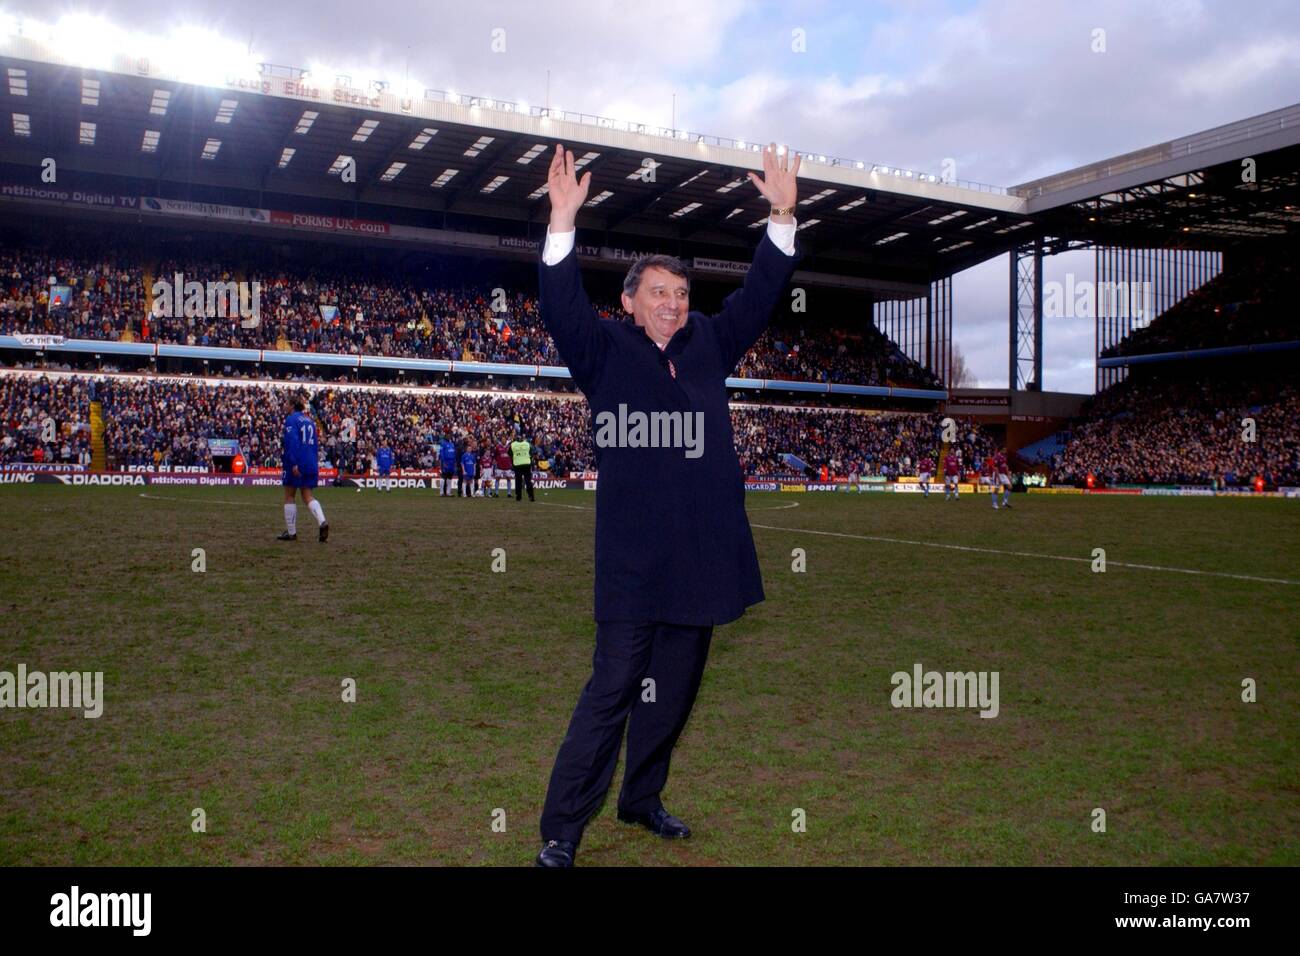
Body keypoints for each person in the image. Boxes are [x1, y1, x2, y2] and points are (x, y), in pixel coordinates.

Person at [534, 141, 800, 867]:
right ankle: (562, 829)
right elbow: (559, 307)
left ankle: (642, 798)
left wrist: (781, 214)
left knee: (673, 693)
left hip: (703, 558)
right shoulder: (605, 352)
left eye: (681, 294)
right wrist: (563, 222)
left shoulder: (712, 342)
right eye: (658, 292)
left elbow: (761, 293)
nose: (673, 304)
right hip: (632, 566)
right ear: (629, 301)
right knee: (611, 690)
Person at [278, 393, 329, 542]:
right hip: (311, 461)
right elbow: (314, 444)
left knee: (289, 495)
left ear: (292, 406)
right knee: (307, 496)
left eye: (286, 403)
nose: (285, 405)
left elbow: (292, 442)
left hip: (297, 461)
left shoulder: (291, 420)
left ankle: (292, 533)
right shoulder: (310, 420)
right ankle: (322, 522)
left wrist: (293, 462)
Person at [510, 433, 534, 502]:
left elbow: (509, 454)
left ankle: (518, 496)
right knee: (528, 481)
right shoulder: (527, 444)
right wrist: (528, 458)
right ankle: (531, 496)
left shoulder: (513, 444)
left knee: (518, 481)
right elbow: (532, 452)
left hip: (517, 465)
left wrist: (514, 459)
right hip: (527, 464)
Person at [438, 431, 458, 497]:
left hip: (452, 463)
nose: (449, 436)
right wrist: (443, 462)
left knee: (450, 477)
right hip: (446, 462)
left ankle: (448, 492)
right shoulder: (443, 444)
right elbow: (441, 453)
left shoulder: (452, 444)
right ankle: (441, 492)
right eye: (447, 435)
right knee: (443, 476)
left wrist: (454, 462)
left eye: (450, 435)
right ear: (445, 436)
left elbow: (454, 453)